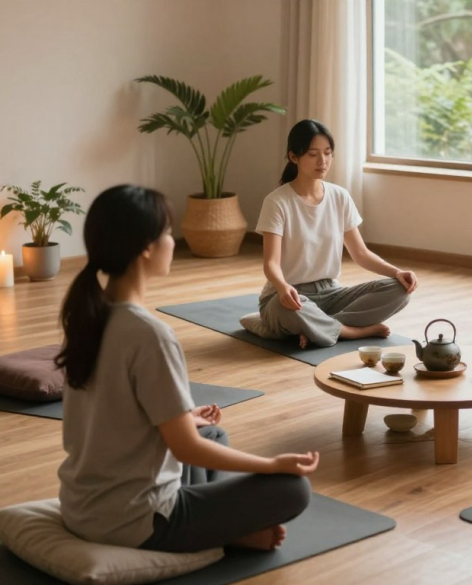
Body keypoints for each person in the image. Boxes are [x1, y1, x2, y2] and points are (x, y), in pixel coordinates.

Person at [55, 185, 318, 553]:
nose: (171, 241)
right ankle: (225, 533)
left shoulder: (88, 318)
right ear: (146, 247)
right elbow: (187, 450)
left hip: (80, 507)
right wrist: (272, 464)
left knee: (212, 435)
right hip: (135, 522)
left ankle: (223, 528)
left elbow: (106, 413)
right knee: (292, 488)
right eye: (166, 232)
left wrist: (183, 415)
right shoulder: (150, 334)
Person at [251, 119, 417, 349]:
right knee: (285, 309)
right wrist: (282, 287)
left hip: (331, 294)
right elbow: (271, 264)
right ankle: (351, 332)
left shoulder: (340, 196)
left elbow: (360, 253)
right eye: (313, 154)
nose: (323, 161)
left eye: (328, 153)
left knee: (399, 290)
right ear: (294, 156)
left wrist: (397, 272)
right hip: (290, 297)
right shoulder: (277, 202)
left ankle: (318, 329)